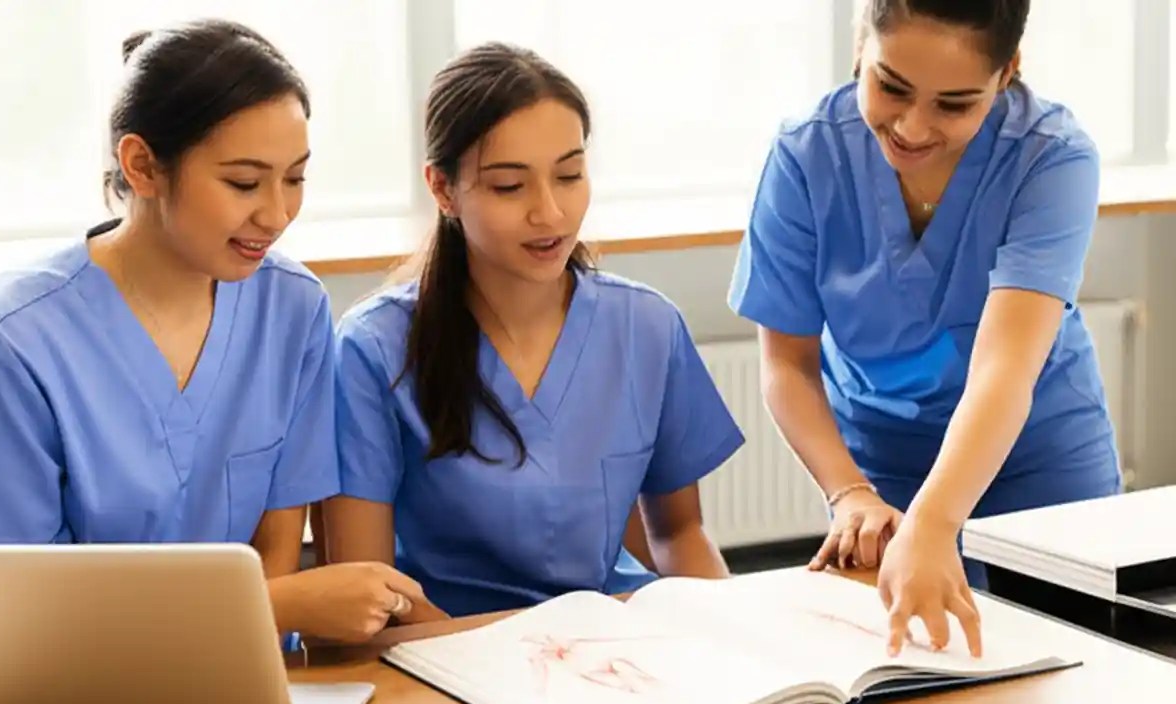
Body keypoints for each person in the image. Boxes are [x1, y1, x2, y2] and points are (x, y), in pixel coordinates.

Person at [0, 18, 431, 644]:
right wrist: (276, 608)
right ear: (141, 166)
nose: (276, 215)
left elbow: (277, 541)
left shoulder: (292, 308)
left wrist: (261, 634)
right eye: (243, 183)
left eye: (295, 178)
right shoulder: (10, 343)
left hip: (250, 682)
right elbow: (1, 615)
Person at [728, 0, 1121, 657]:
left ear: (1008, 72)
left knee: (1068, 680)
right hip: (881, 472)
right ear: (861, 43)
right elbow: (788, 364)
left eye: (954, 104)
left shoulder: (1051, 158)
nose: (912, 126)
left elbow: (1005, 367)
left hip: (1040, 462)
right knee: (904, 675)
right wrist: (850, 493)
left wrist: (938, 521)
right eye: (892, 87)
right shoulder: (806, 153)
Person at [320, 42, 744, 619]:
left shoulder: (646, 327)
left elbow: (678, 534)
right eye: (509, 187)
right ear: (443, 190)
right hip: (445, 649)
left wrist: (735, 632)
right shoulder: (374, 348)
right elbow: (368, 587)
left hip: (613, 642)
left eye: (569, 175)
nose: (551, 213)